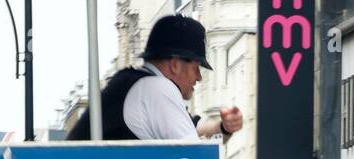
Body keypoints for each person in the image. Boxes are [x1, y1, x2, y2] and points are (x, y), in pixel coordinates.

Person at [68, 14, 242, 143]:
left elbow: (195, 129)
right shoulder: (156, 89)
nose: (199, 78)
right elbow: (194, 154)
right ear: (175, 65)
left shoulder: (134, 83)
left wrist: (224, 128)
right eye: (195, 68)